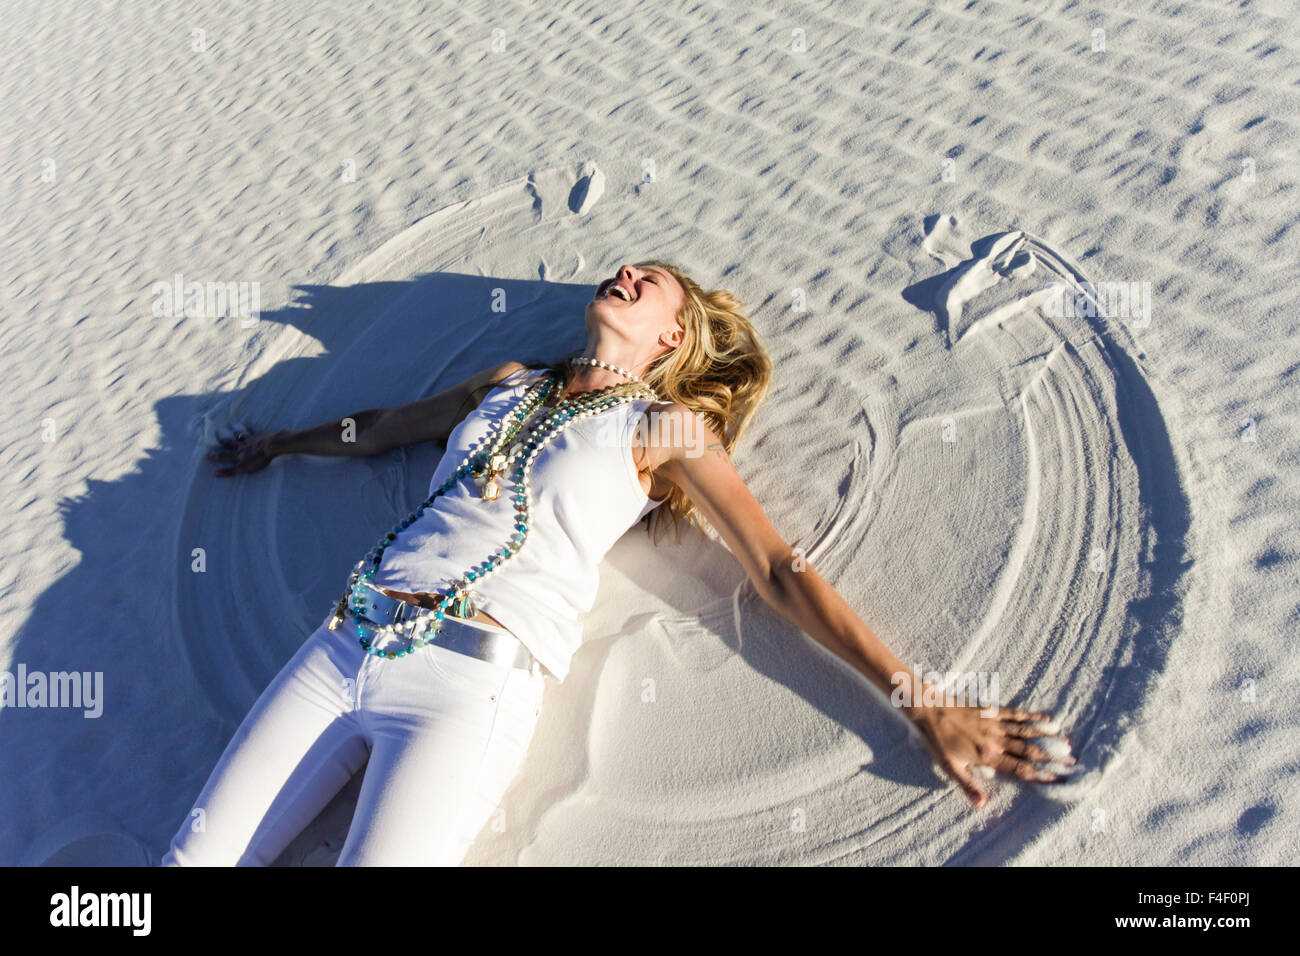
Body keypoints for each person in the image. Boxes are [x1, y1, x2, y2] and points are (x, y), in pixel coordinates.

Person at [159, 259, 1075, 866]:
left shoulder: (667, 427)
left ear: (672, 340)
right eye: (627, 266)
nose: (627, 272)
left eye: (653, 281)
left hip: (471, 687)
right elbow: (390, 428)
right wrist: (283, 442)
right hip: (344, 643)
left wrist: (920, 699)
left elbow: (777, 569)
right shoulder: (509, 381)